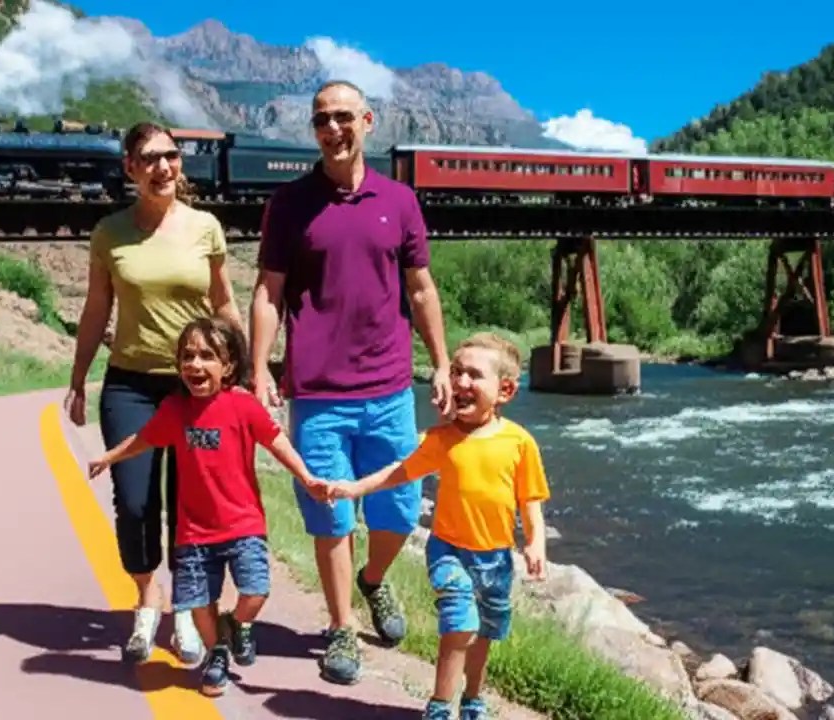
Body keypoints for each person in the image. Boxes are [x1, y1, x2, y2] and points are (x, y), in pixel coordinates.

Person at [250, 79, 453, 685]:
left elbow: (421, 289)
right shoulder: (288, 204)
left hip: (390, 388)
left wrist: (440, 362)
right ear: (313, 130)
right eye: (321, 120)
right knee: (331, 517)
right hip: (317, 394)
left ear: (368, 121)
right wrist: (260, 369)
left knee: (398, 510)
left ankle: (373, 580)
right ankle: (341, 626)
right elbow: (268, 292)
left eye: (343, 117)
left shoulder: (401, 200)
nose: (332, 129)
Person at [66, 121, 243, 666]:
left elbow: (224, 304)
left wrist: (245, 373)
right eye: (149, 158)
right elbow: (98, 309)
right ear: (130, 168)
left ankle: (186, 612)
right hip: (130, 384)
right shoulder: (110, 233)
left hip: (195, 389)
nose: (162, 167)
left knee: (190, 505)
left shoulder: (205, 227)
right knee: (136, 500)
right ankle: (148, 597)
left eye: (170, 155)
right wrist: (77, 380)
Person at [86, 317, 330, 695]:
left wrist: (306, 477)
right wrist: (110, 457)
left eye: (207, 356)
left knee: (256, 590)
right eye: (187, 356)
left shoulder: (242, 406)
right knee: (199, 602)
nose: (195, 365)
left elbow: (277, 441)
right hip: (195, 532)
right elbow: (144, 440)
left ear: (228, 365)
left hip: (243, 524)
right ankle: (217, 654)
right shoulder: (175, 409)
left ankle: (234, 625)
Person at [322, 333, 550, 720]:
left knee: (483, 636)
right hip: (449, 551)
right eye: (456, 371)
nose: (461, 382)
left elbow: (530, 501)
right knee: (460, 626)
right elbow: (399, 472)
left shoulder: (519, 443)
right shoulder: (440, 440)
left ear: (505, 391)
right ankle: (440, 706)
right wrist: (353, 488)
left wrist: (536, 543)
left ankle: (473, 699)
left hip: (495, 559)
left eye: (474, 375)